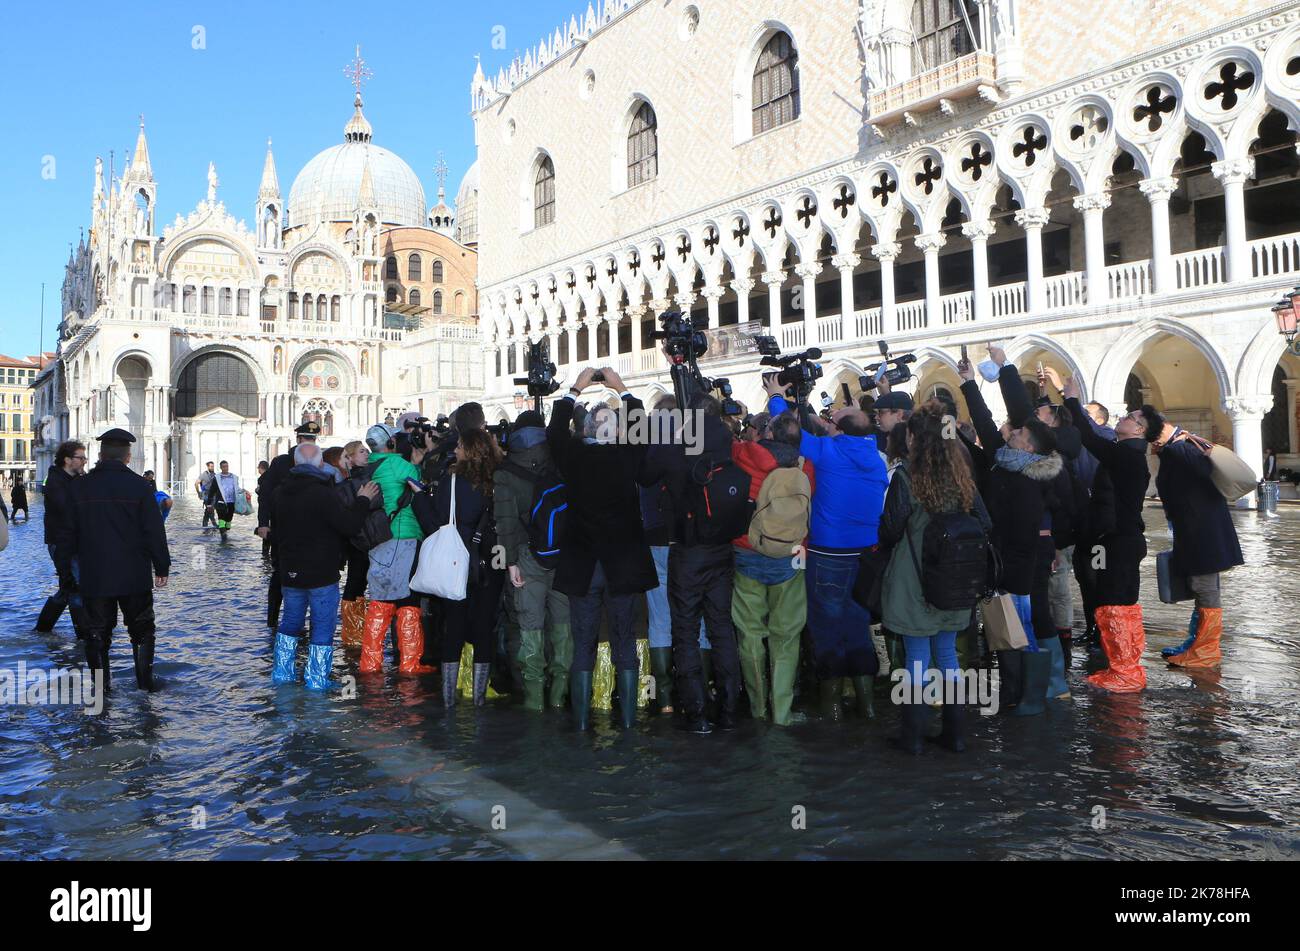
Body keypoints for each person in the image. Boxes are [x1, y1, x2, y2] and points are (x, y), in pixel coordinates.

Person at [765, 376, 888, 723]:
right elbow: (837, 432)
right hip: (865, 556)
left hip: (828, 555)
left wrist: (777, 395)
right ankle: (867, 707)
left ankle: (832, 707)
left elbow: (789, 429)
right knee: (857, 625)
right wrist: (828, 424)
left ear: (838, 430)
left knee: (826, 629)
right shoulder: (875, 458)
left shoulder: (829, 453)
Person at [878, 401, 992, 753]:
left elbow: (890, 529)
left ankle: (912, 736)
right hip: (955, 580)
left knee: (916, 655)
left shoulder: (906, 477)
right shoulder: (962, 478)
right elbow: (985, 525)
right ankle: (955, 735)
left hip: (914, 580)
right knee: (947, 653)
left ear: (912, 437)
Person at [547, 367, 657, 731]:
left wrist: (575, 389)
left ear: (587, 431)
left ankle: (580, 725)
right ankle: (626, 722)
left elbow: (554, 431)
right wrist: (621, 389)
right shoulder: (628, 456)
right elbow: (641, 424)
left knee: (583, 643)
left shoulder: (573, 457)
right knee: (624, 639)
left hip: (583, 562)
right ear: (616, 431)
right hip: (621, 563)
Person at [957, 350, 1062, 716]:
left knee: (1022, 629)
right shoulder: (1006, 459)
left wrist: (1007, 572)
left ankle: (1030, 698)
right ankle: (1017, 692)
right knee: (1008, 630)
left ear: (1029, 445)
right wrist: (969, 382)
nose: (1011, 431)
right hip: (1003, 561)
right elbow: (985, 423)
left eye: (1017, 432)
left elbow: (1023, 532)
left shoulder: (1032, 476)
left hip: (1016, 565)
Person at [640, 390, 745, 734]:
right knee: (721, 629)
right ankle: (729, 710)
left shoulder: (677, 445)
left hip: (687, 549)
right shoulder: (727, 442)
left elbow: (646, 474)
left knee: (685, 631)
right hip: (722, 549)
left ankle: (697, 712)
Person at [1063, 378, 1153, 691]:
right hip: (1120, 540)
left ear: (1139, 430)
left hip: (1121, 541)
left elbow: (1087, 436)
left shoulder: (1127, 455)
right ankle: (1122, 667)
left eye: (1132, 418)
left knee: (1117, 604)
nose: (1124, 417)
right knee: (1114, 603)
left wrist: (1072, 399)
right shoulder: (1126, 453)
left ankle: (1126, 673)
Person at [63, 429, 170, 692]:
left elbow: (67, 533)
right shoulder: (141, 487)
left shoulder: (78, 486)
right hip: (134, 573)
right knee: (142, 630)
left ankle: (101, 691)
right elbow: (154, 531)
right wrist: (162, 566)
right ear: (127, 457)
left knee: (97, 633)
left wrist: (66, 571)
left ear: (100, 455)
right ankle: (145, 685)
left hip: (95, 574)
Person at [269, 442, 378, 689]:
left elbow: (276, 533)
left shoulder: (279, 493)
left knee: (290, 623)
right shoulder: (324, 493)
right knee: (322, 626)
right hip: (321, 573)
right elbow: (349, 526)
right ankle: (317, 680)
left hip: (290, 572)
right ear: (320, 464)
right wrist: (362, 500)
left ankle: (282, 674)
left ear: (296, 464)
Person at [729, 411, 814, 725]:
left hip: (746, 550)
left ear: (765, 434)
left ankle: (757, 707)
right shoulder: (806, 467)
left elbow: (730, 443)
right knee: (787, 636)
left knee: (750, 634)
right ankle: (782, 712)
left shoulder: (743, 456)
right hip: (792, 556)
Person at [1150, 409, 1244, 668]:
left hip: (1203, 532)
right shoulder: (1176, 448)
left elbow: (1201, 473)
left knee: (1205, 588)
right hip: (1197, 531)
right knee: (1202, 586)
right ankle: (1197, 644)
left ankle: (1205, 651)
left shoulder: (1182, 448)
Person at [418, 428, 506, 706]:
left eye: (458, 446)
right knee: (483, 626)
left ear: (468, 450)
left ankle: (448, 700)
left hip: (456, 559)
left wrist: (420, 498)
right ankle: (479, 698)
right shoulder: (498, 478)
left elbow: (436, 523)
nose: (454, 450)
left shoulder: (451, 480)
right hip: (490, 560)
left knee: (454, 625)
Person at [493, 410, 573, 712]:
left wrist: (510, 562)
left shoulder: (505, 471)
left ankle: (533, 701)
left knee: (530, 627)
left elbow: (505, 522)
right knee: (563, 627)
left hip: (526, 558)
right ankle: (559, 696)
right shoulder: (559, 459)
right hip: (562, 555)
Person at [359, 427, 434, 675]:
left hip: (379, 537)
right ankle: (410, 663)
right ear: (391, 442)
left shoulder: (370, 465)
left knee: (380, 600)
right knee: (408, 600)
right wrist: (418, 463)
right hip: (403, 535)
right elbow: (419, 485)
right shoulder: (396, 465)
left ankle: (370, 662)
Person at [257, 422, 322, 628]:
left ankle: (305, 620)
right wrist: (263, 523)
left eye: (313, 440)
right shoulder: (281, 463)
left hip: (313, 528)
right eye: (307, 439)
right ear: (299, 440)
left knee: (313, 573)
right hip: (283, 526)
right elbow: (265, 493)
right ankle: (273, 619)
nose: (311, 443)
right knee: (280, 571)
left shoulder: (320, 460)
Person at [34, 440, 89, 636]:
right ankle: (84, 636)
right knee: (75, 588)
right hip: (62, 543)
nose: (84, 461)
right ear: (67, 460)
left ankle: (42, 630)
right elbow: (69, 510)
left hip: (75, 542)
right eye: (80, 458)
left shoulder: (77, 479)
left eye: (84, 457)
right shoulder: (55, 482)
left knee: (68, 588)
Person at [326, 441, 372, 651]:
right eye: (362, 451)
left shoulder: (367, 475)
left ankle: (358, 631)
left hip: (369, 537)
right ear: (350, 458)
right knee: (356, 581)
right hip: (358, 540)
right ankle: (353, 634)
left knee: (361, 583)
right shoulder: (345, 484)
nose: (367, 454)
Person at [205, 460, 242, 540]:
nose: (226, 468)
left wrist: (244, 491)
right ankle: (223, 537)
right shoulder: (217, 478)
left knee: (228, 522)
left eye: (227, 466)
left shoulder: (233, 477)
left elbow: (237, 488)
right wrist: (209, 504)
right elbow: (212, 491)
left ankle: (225, 530)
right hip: (220, 502)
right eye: (224, 467)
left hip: (231, 502)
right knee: (221, 519)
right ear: (221, 468)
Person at [255, 461, 271, 556]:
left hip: (266, 511)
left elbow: (263, 498)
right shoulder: (273, 478)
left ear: (260, 468)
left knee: (266, 533)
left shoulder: (262, 480)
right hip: (272, 510)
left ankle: (265, 554)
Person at [196, 461, 217, 529]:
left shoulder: (215, 474)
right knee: (209, 509)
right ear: (208, 467)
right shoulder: (203, 474)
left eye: (213, 466)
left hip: (213, 495)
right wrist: (198, 492)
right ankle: (214, 524)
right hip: (206, 495)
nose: (212, 468)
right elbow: (196, 483)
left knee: (209, 510)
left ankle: (204, 525)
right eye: (211, 466)